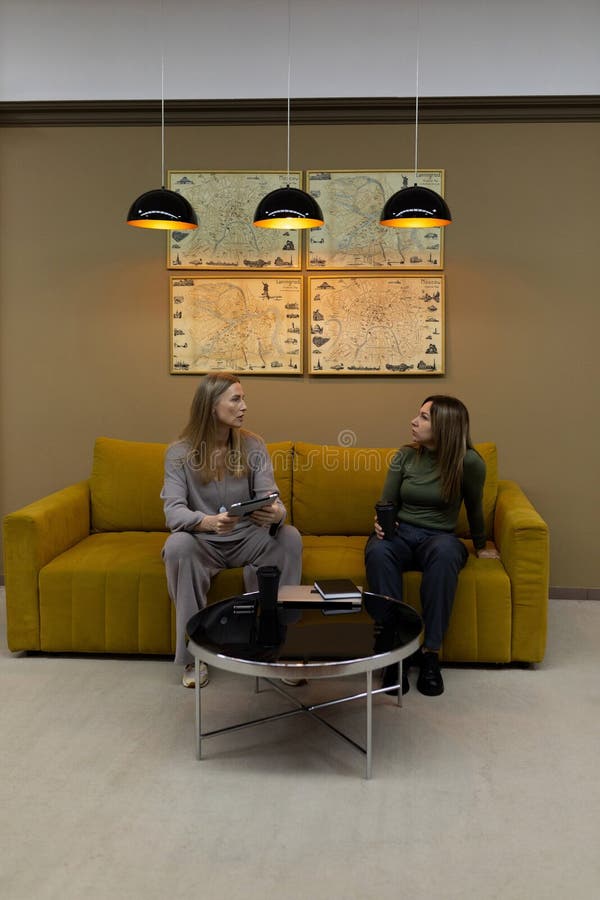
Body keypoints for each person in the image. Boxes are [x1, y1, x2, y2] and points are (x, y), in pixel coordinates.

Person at [161, 372, 302, 688]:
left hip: (247, 537)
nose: (244, 406)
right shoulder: (178, 453)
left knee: (290, 536)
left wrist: (275, 512)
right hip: (203, 540)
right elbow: (173, 511)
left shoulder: (253, 445)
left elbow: (272, 498)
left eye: (244, 398)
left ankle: (278, 647)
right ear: (212, 405)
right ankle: (193, 657)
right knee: (177, 546)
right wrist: (208, 521)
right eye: (236, 399)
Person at [365, 395, 500, 697]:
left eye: (424, 417)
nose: (414, 421)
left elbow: (475, 507)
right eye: (418, 415)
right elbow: (387, 502)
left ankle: (430, 654)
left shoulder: (469, 462)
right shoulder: (405, 456)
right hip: (400, 534)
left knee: (447, 553)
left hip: (438, 537)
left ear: (446, 426)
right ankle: (395, 655)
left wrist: (480, 546)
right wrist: (379, 522)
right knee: (377, 551)